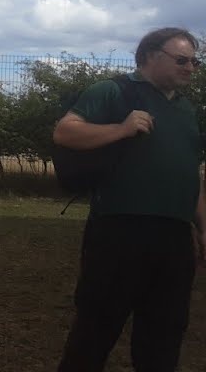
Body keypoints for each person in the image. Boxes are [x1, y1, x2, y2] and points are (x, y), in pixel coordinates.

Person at [55, 27, 205, 371]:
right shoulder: (112, 91)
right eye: (182, 60)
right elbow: (64, 131)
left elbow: (189, 173)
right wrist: (120, 129)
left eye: (195, 62)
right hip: (120, 231)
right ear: (151, 56)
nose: (190, 68)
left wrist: (203, 226)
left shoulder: (186, 110)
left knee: (165, 335)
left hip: (174, 240)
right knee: (96, 330)